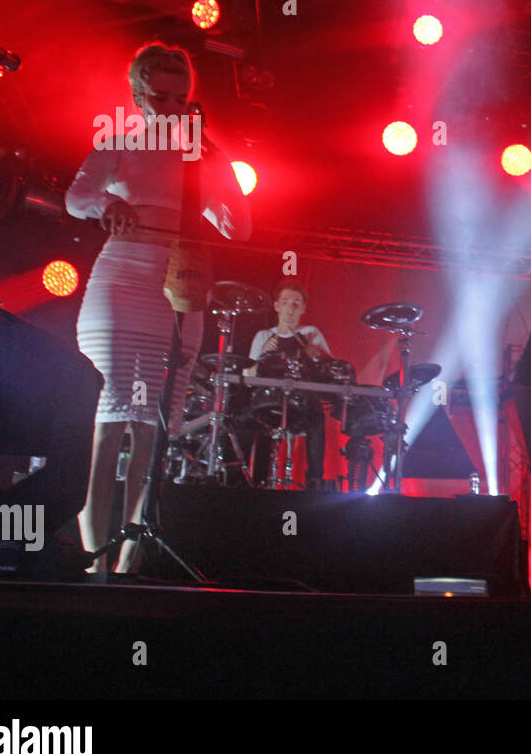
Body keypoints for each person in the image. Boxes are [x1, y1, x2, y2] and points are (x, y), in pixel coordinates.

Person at [67, 42, 252, 573]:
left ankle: (130, 555)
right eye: (160, 96)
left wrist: (217, 171)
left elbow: (241, 225)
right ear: (137, 94)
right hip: (123, 280)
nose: (171, 106)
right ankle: (92, 558)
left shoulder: (201, 152)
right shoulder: (120, 139)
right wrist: (111, 202)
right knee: (109, 420)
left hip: (178, 285)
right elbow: (76, 197)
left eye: (181, 97)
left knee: (153, 425)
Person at [247, 279, 332, 489]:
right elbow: (248, 377)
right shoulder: (264, 336)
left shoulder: (311, 333)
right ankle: (254, 480)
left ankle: (315, 482)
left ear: (303, 308)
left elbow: (330, 371)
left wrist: (318, 354)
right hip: (270, 401)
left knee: (317, 419)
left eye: (296, 303)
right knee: (248, 417)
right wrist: (263, 355)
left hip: (302, 402)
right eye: (285, 302)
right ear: (277, 306)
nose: (290, 308)